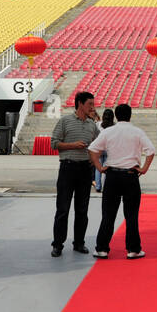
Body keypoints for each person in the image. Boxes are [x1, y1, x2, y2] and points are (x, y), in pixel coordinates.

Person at [88, 103, 155, 259]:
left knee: (108, 215)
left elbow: (92, 149)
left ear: (116, 116)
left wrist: (99, 167)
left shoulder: (108, 132)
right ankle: (133, 249)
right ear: (130, 115)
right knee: (131, 215)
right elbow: (150, 151)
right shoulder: (137, 132)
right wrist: (144, 169)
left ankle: (102, 249)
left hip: (112, 176)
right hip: (131, 175)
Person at [50, 91, 99, 257]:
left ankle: (79, 243)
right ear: (79, 104)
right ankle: (58, 244)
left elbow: (97, 146)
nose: (92, 107)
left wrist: (94, 160)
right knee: (63, 208)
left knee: (82, 210)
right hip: (67, 169)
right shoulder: (65, 121)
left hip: (85, 170)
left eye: (93, 104)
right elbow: (54, 143)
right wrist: (73, 145)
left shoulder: (92, 125)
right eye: (89, 104)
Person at [93, 108, 115, 192]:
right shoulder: (114, 126)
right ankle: (105, 186)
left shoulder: (98, 124)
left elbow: (94, 135)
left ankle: (98, 186)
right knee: (107, 168)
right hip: (109, 150)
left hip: (98, 149)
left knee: (98, 168)